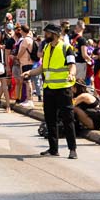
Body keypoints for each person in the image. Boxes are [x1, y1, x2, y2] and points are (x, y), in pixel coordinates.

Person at [27, 24, 77, 158]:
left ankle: (72, 149)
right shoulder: (47, 47)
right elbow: (43, 68)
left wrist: (71, 74)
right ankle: (53, 149)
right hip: (48, 89)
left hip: (63, 89)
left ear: (54, 34)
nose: (45, 36)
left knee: (68, 120)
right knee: (50, 120)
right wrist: (30, 72)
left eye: (47, 33)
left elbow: (72, 65)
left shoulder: (66, 48)